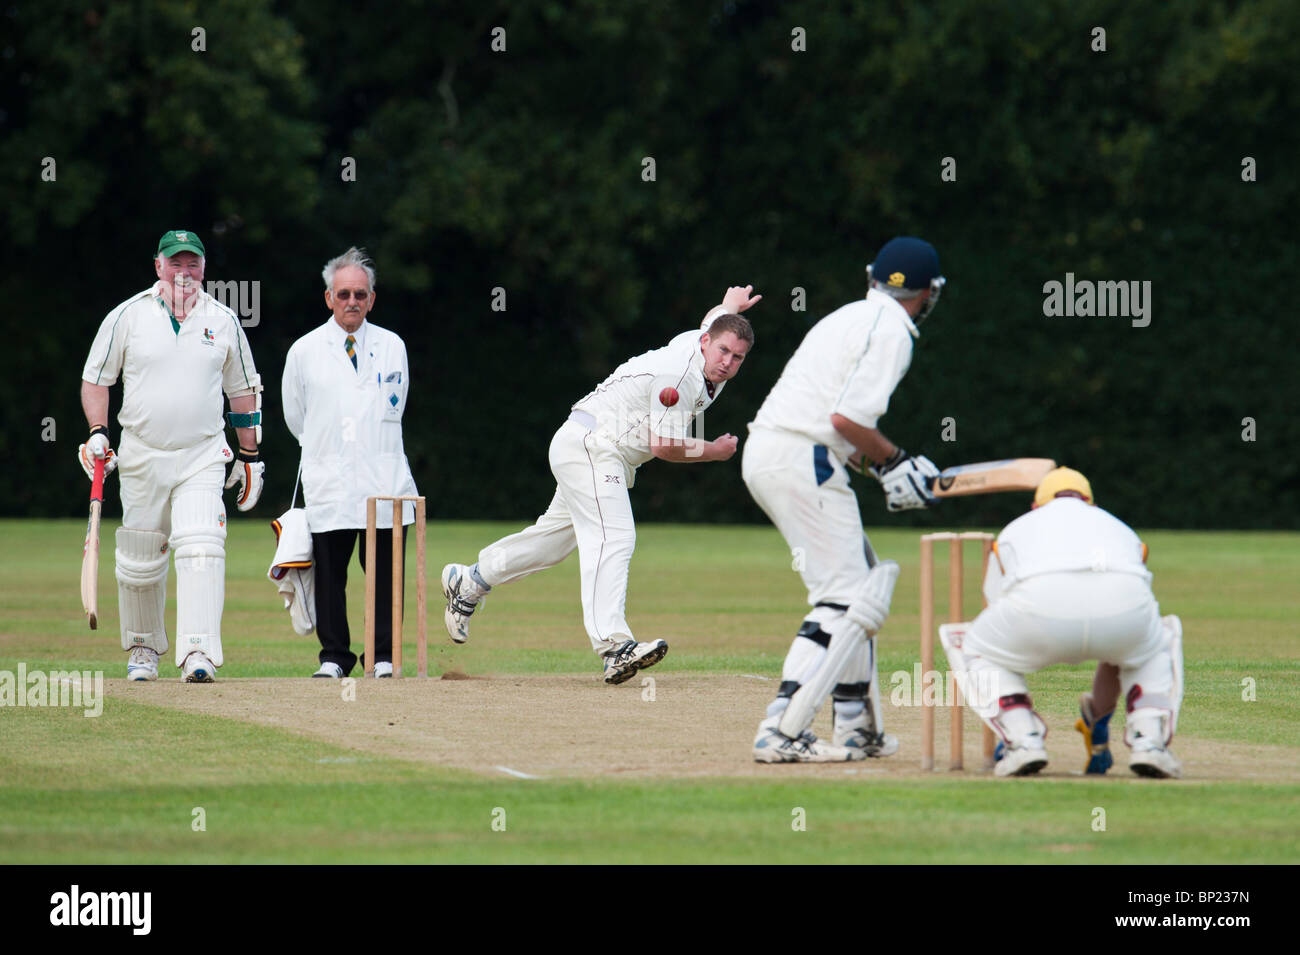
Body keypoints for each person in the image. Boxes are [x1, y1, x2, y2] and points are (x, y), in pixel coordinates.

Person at [439, 287, 760, 684]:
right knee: (615, 537)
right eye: (723, 352)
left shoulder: (704, 341)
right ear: (706, 343)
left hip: (592, 448)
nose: (727, 363)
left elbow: (715, 318)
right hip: (594, 446)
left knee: (552, 543)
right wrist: (713, 450)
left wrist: (730, 307)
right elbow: (664, 447)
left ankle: (470, 581)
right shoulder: (678, 377)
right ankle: (614, 647)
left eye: (738, 358)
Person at [744, 236, 946, 763]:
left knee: (864, 582)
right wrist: (896, 461)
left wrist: (883, 465)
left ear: (871, 276)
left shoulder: (846, 317)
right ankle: (781, 728)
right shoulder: (893, 332)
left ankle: (857, 725)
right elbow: (846, 421)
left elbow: (831, 419)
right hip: (800, 456)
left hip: (778, 450)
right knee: (844, 597)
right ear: (928, 293)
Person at [80, 229, 265, 683]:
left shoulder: (222, 319)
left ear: (204, 268)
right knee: (140, 559)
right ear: (158, 266)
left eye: (193, 264)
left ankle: (198, 652)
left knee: (202, 546)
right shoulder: (127, 316)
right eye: (175, 263)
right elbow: (96, 380)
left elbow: (242, 391)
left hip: (201, 453)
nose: (185, 272)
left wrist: (249, 456)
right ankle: (144, 649)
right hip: (142, 454)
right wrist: (98, 434)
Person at [942, 467, 1184, 778]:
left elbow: (994, 605)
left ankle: (1022, 737)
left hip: (1038, 612)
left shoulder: (1016, 529)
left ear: (1036, 506)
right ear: (1090, 503)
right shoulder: (1121, 529)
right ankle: (1149, 741)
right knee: (1153, 643)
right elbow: (1134, 609)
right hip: (1124, 616)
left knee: (974, 646)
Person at [282, 247, 419, 678]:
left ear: (372, 299)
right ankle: (335, 657)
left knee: (384, 573)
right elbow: (295, 417)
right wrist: (330, 449)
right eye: (343, 294)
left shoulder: (392, 346)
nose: (352, 302)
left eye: (360, 294)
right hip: (330, 478)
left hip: (384, 475)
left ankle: (383, 656)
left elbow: (396, 407)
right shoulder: (305, 351)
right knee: (329, 574)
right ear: (329, 298)